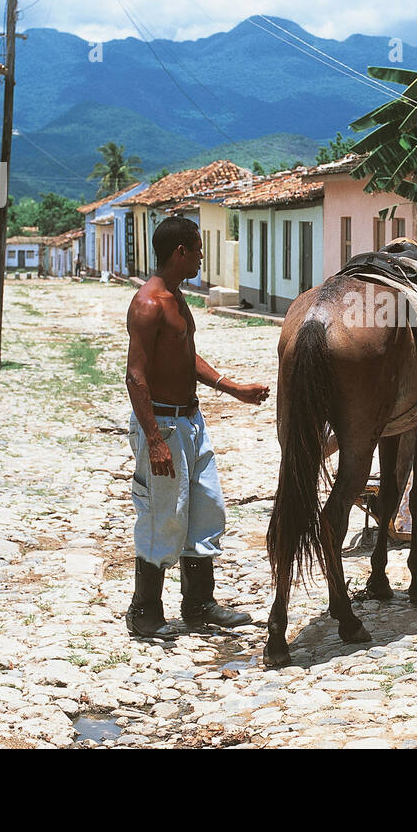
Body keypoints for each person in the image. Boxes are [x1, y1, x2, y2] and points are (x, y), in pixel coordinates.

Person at [123, 216, 270, 639]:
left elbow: (186, 356)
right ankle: (145, 611)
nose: (203, 257)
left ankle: (199, 604)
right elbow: (136, 376)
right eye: (198, 249)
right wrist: (153, 439)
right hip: (163, 423)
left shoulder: (177, 296)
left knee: (207, 508)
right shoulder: (149, 303)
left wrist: (233, 388)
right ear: (180, 252)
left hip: (191, 419)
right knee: (163, 515)